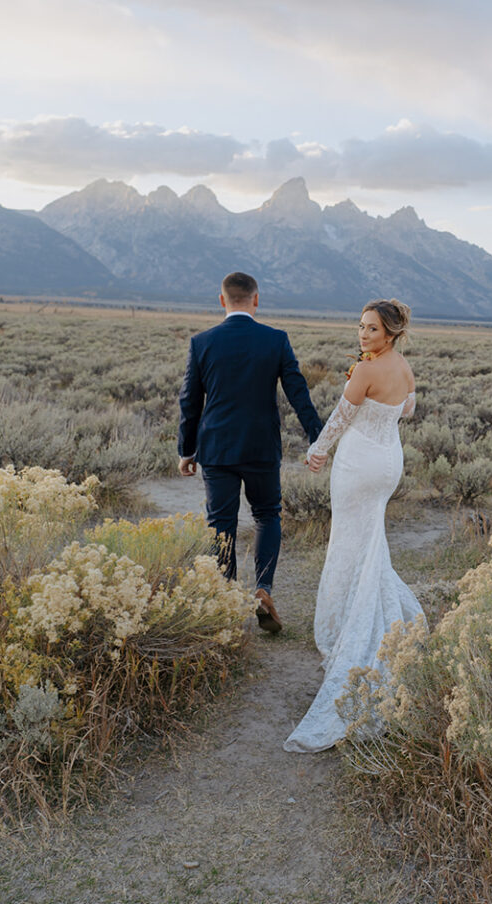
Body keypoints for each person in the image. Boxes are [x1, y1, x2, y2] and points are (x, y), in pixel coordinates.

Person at [284, 299, 422, 753]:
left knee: (348, 545)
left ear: (390, 333)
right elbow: (408, 412)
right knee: (369, 543)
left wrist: (317, 452)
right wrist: (378, 406)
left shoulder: (366, 371)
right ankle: (378, 622)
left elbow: (340, 419)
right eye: (360, 328)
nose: (363, 335)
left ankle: (347, 635)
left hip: (360, 462)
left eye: (371, 330)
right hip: (389, 462)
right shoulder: (402, 367)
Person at [178, 271, 324, 633]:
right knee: (267, 515)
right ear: (256, 300)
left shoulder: (202, 342)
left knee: (221, 524)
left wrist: (186, 450)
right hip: (261, 446)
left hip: (216, 448)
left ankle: (226, 600)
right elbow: (298, 393)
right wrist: (317, 438)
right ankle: (263, 588)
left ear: (222, 300)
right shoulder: (276, 340)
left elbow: (189, 401)